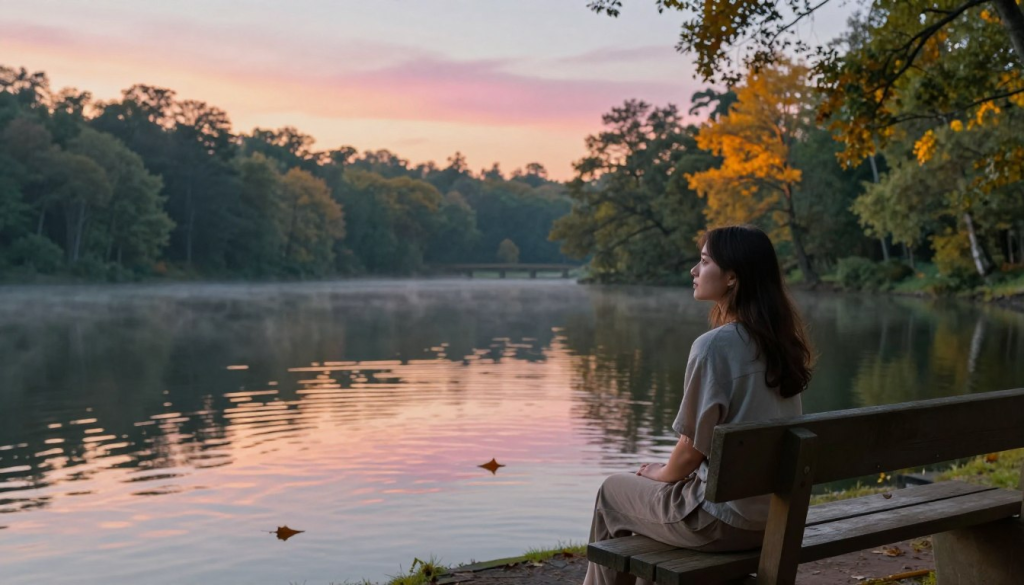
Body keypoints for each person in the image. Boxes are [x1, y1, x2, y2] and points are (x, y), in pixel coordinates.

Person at [583, 225, 814, 585]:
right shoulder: (781, 345)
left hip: (720, 522)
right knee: (645, 529)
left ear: (732, 277)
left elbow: (690, 453)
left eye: (704, 261)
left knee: (613, 492)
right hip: (774, 520)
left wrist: (658, 472)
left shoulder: (714, 347)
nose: (694, 270)